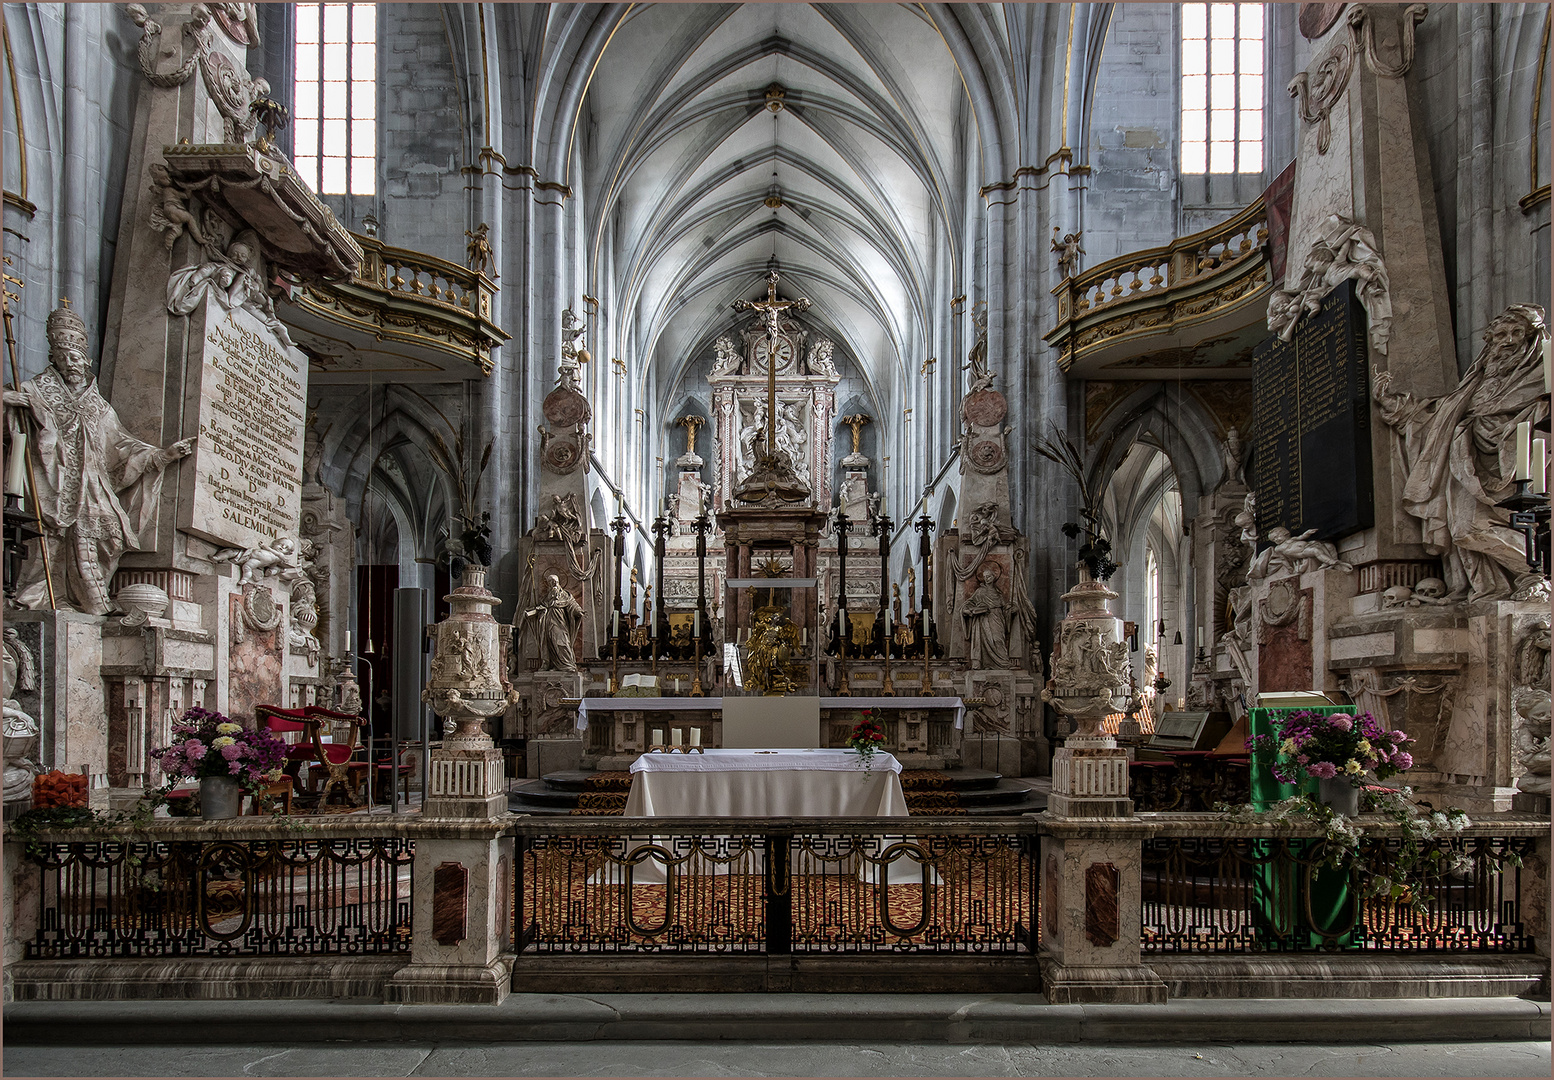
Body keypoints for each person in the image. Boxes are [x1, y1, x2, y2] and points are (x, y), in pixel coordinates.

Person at [4, 304, 194, 614]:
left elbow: (120, 444)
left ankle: (90, 599)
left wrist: (161, 456)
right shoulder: (33, 390)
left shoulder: (99, 405)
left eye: (75, 357)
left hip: (93, 485)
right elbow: (10, 424)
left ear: (87, 360)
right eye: (63, 357)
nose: (70, 363)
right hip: (49, 480)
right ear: (53, 358)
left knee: (111, 536)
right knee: (47, 542)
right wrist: (6, 402)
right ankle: (51, 599)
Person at [1374, 304, 1551, 600]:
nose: (1508, 340)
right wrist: (1396, 405)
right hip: (1465, 457)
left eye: (1517, 333)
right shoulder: (1479, 378)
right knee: (1464, 531)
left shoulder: (1540, 379)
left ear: (1530, 338)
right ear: (1491, 341)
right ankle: (1506, 582)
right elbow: (1442, 411)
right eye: (1501, 335)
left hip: (1513, 464)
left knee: (1472, 529)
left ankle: (1536, 573)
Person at [528, 573, 583, 672]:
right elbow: (542, 606)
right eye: (551, 582)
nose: (554, 584)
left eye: (555, 581)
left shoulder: (565, 595)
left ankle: (568, 664)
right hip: (548, 623)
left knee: (562, 642)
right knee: (550, 644)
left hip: (560, 623)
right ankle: (554, 664)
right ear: (548, 584)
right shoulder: (547, 597)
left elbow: (572, 604)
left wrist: (578, 611)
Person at [962, 565, 1011, 669]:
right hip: (984, 619)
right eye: (985, 577)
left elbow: (1004, 606)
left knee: (998, 639)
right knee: (984, 642)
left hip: (997, 616)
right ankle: (987, 664)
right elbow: (969, 603)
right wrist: (969, 610)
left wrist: (1010, 609)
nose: (987, 579)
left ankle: (1002, 662)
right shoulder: (980, 591)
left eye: (989, 576)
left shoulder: (998, 592)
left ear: (994, 577)